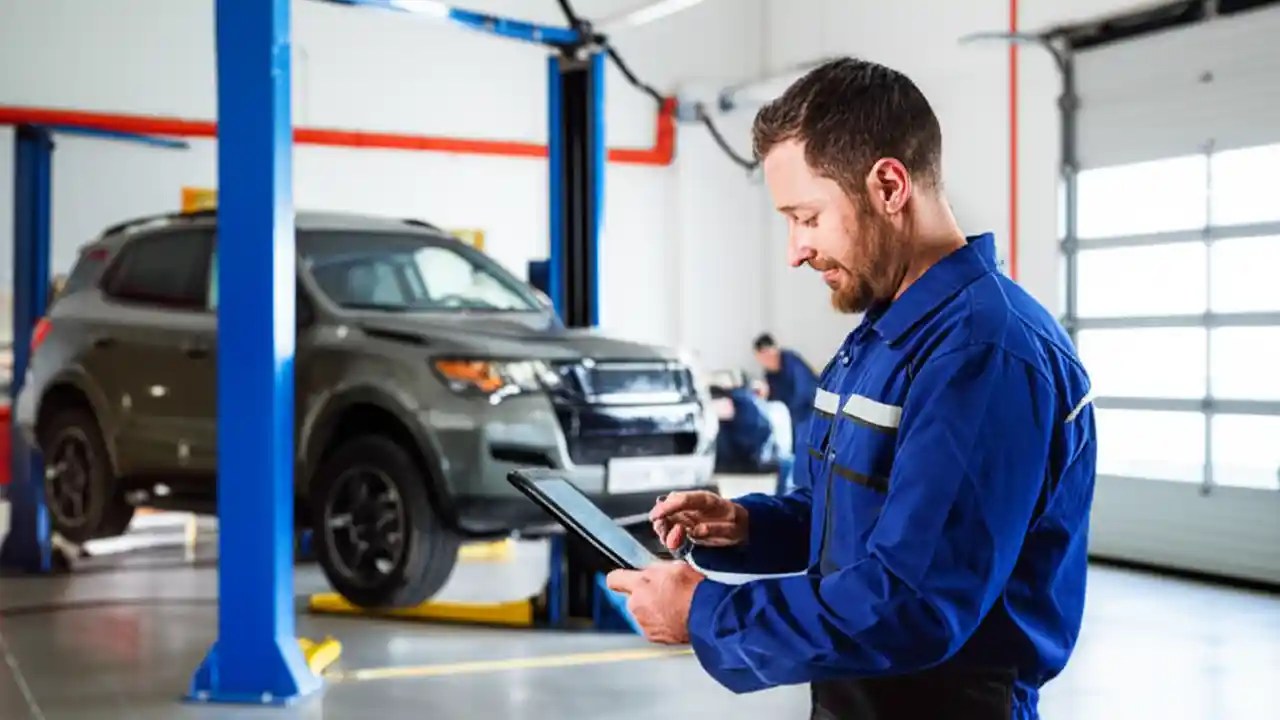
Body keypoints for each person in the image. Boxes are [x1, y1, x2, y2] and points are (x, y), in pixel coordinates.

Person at [605, 56, 1097, 720]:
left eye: (806, 217)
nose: (794, 250)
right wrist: (747, 526)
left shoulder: (983, 356)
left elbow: (913, 602)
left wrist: (704, 612)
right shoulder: (879, 338)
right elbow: (861, 523)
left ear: (889, 185)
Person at [752, 333, 819, 452]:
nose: (765, 362)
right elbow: (777, 400)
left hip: (810, 414)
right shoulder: (770, 374)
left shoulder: (792, 363)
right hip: (792, 420)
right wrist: (766, 394)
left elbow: (805, 393)